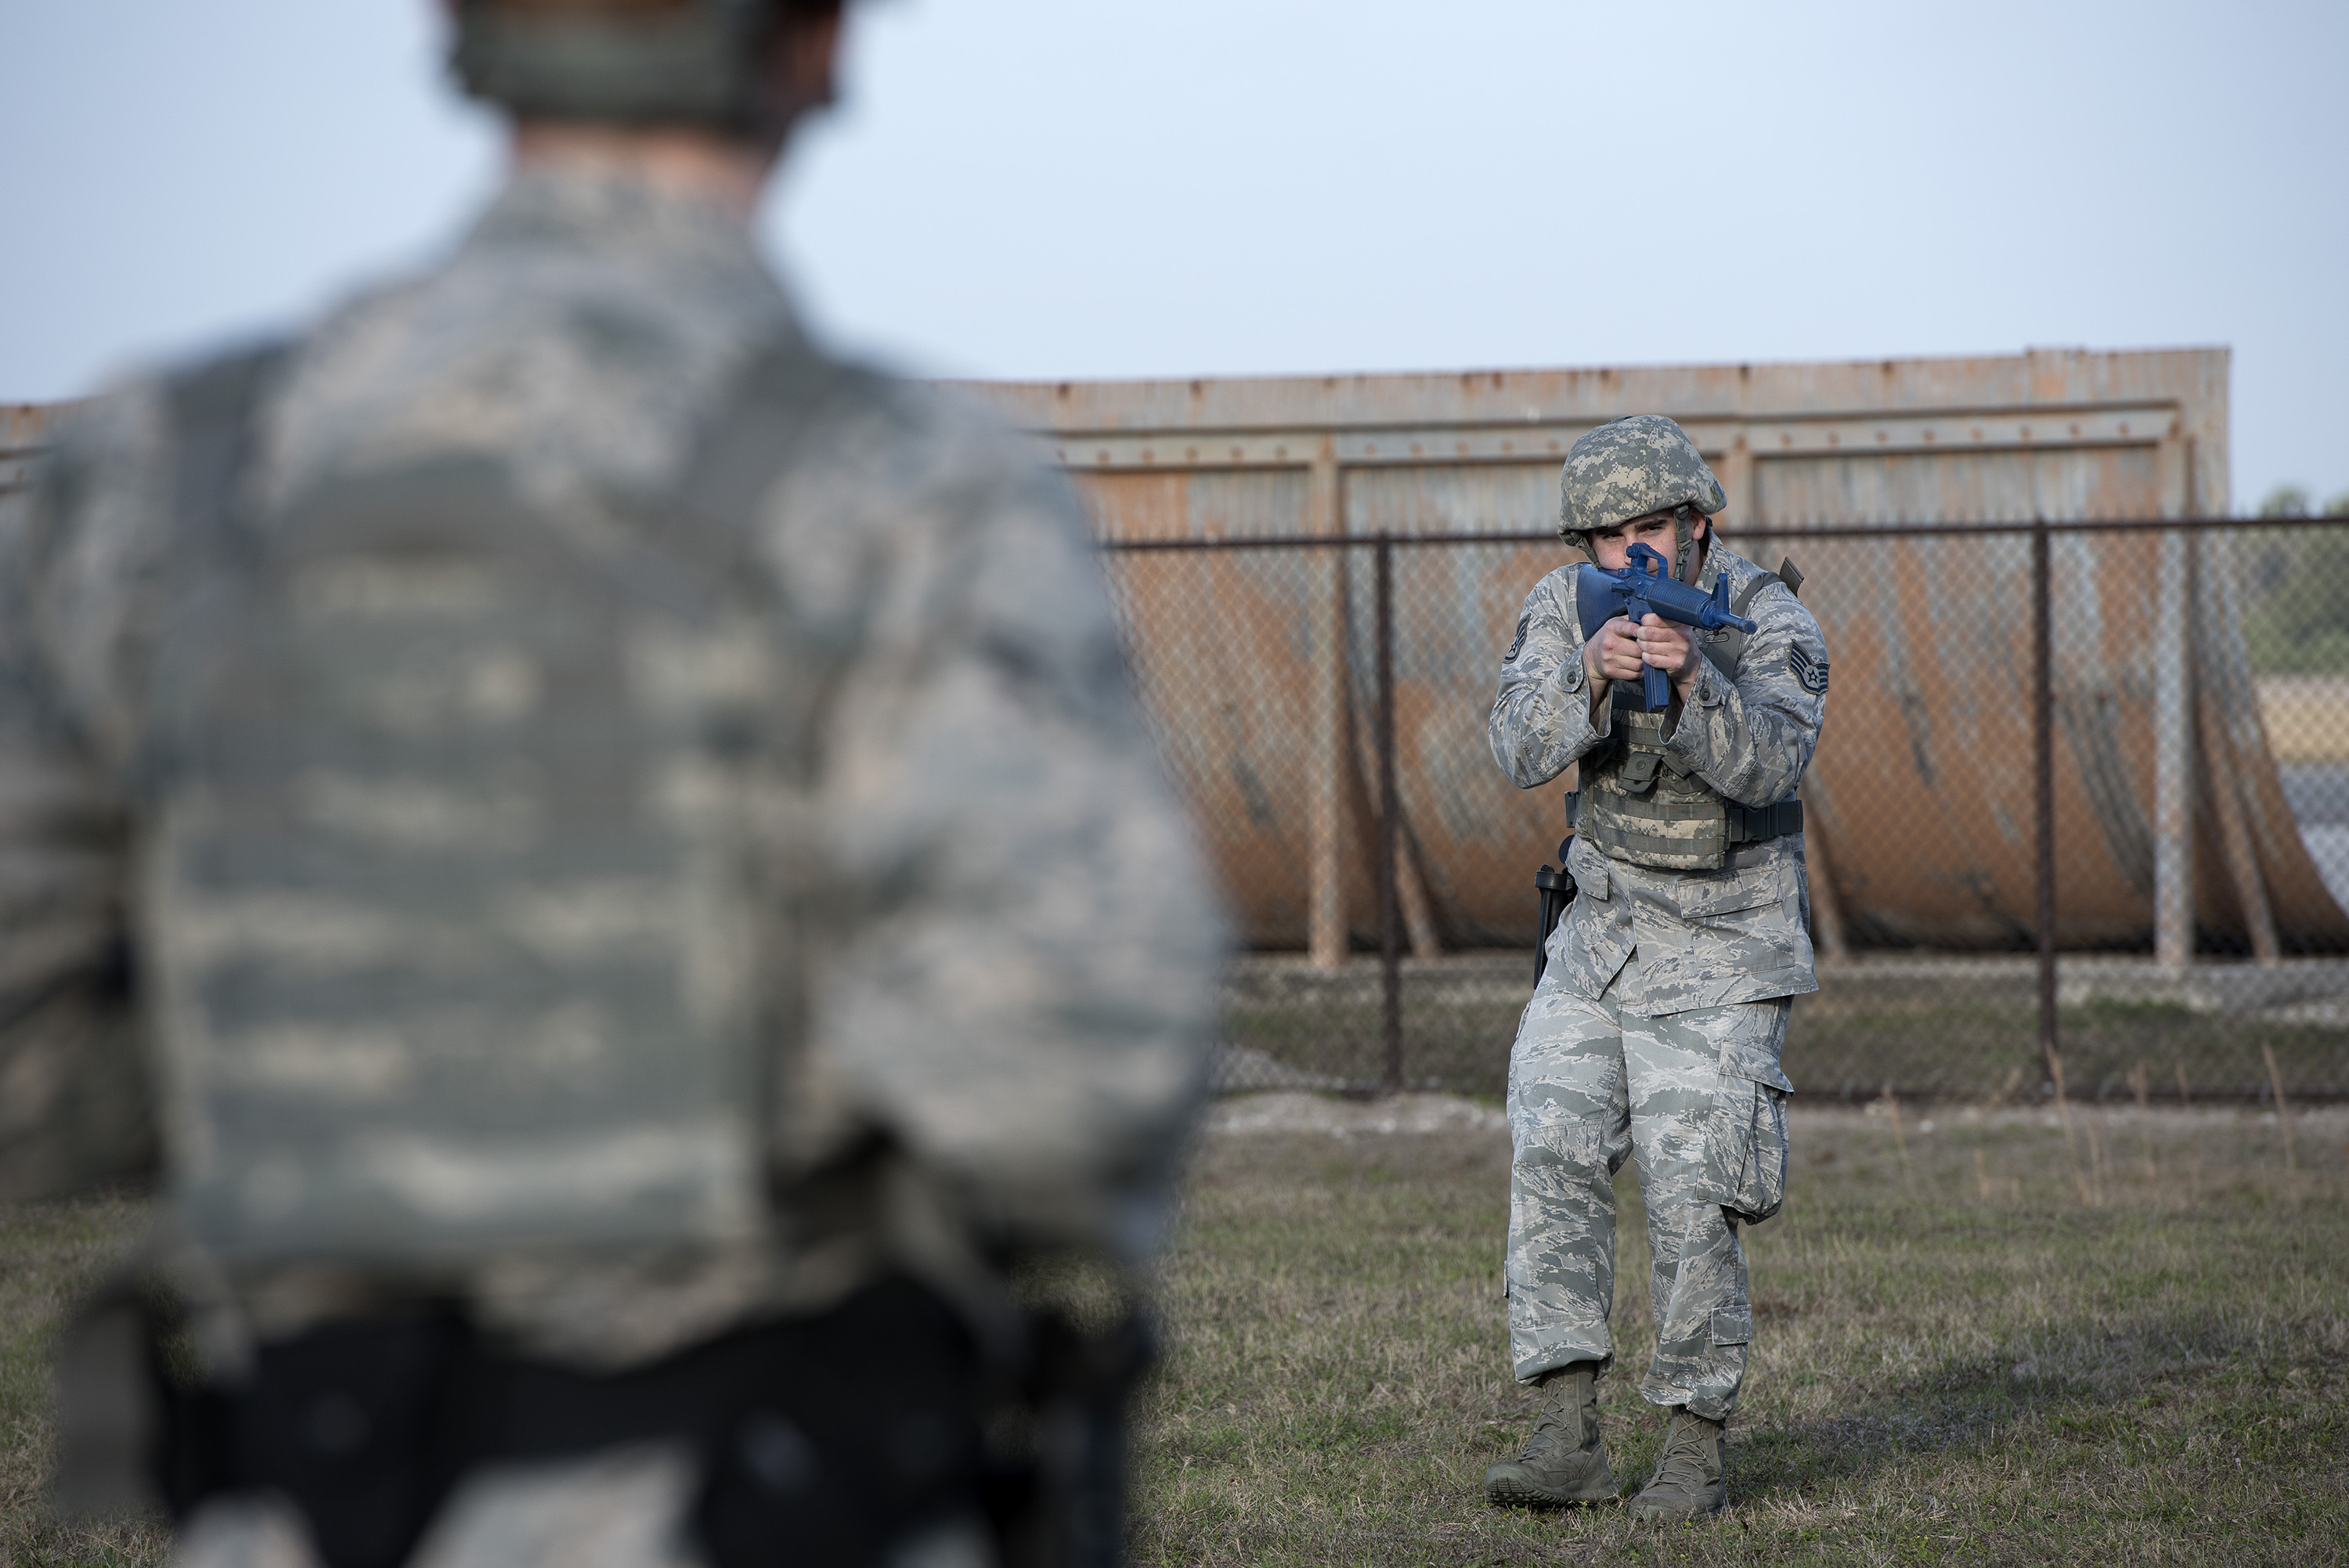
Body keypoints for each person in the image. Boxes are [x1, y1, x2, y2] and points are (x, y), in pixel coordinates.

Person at [0, 4, 1225, 1566]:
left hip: (287, 1507)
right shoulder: (901, 487)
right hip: (764, 1502)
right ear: (817, 51)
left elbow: (28, 1058)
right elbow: (1071, 1064)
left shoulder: (157, 476)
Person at [1479, 415, 1828, 1520]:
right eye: (1606, 537)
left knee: (1693, 1194)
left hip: (1725, 947)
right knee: (1553, 1141)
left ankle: (1691, 1446)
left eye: (1650, 530)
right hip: (1604, 933)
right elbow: (1518, 752)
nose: (1630, 555)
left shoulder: (1769, 619)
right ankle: (1566, 1429)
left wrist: (1694, 684)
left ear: (1696, 524)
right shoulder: (1559, 604)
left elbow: (1773, 758)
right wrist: (1588, 673)